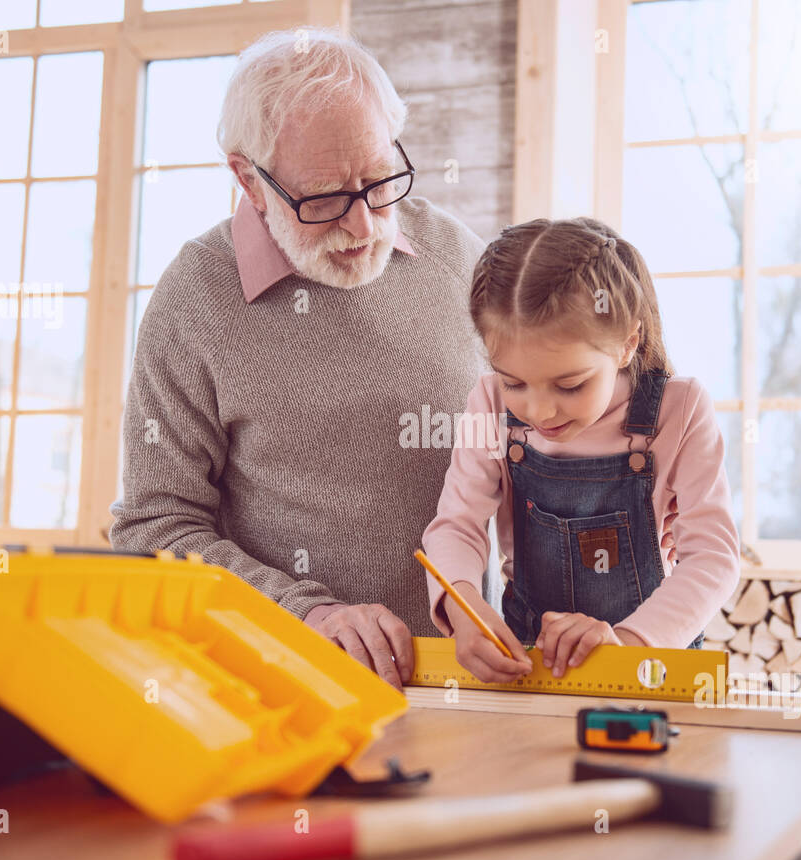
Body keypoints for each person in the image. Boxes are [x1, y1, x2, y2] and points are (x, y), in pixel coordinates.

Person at [110, 28, 489, 690]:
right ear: (249, 180)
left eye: (379, 181)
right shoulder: (193, 300)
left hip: (466, 684)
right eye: (324, 199)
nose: (364, 225)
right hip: (276, 682)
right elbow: (152, 526)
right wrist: (304, 610)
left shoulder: (460, 259)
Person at [420, 217, 742, 683]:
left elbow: (713, 556)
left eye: (570, 384)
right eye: (514, 382)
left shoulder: (681, 409)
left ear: (627, 344)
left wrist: (627, 646)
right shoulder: (489, 404)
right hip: (530, 653)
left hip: (653, 660)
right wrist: (463, 607)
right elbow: (456, 524)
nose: (540, 410)